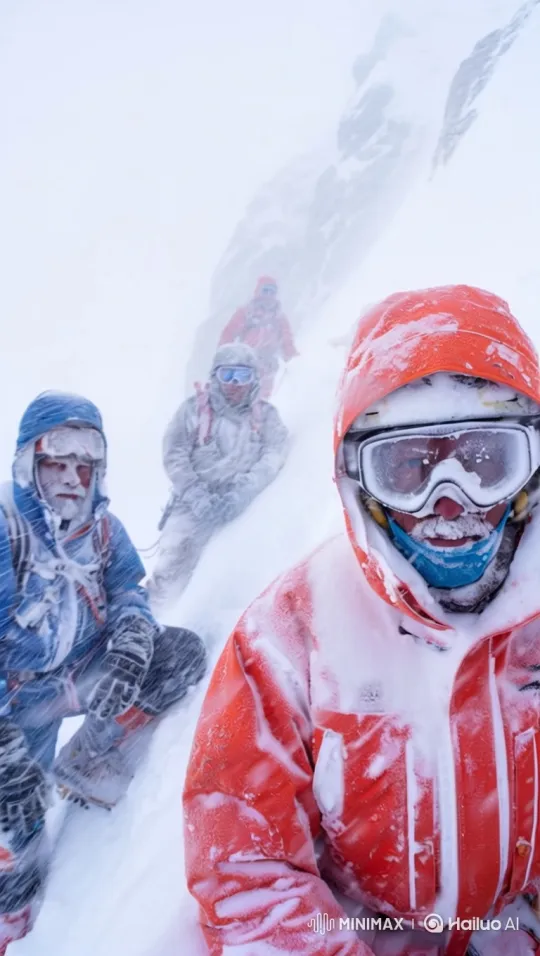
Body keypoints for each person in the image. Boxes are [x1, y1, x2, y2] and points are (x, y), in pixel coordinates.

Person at [183, 285, 540, 956]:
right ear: (358, 483)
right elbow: (244, 870)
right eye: (408, 469)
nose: (449, 503)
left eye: (487, 461)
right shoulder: (288, 639)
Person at [0, 390, 206, 953]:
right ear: (28, 464)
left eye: (83, 466)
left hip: (84, 672)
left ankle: (93, 754)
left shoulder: (105, 530)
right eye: (55, 464)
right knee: (17, 832)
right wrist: (8, 758)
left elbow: (126, 594)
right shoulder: (5, 532)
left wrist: (131, 647)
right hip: (17, 708)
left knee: (178, 656)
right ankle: (13, 917)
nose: (71, 478)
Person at [148, 343, 289, 609]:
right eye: (227, 375)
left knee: (243, 567)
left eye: (242, 376)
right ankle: (157, 615)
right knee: (173, 559)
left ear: (254, 379)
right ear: (214, 376)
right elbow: (174, 455)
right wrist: (197, 496)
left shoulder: (266, 416)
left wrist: (242, 493)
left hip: (240, 503)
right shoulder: (192, 411)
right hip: (192, 505)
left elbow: (274, 455)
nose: (235, 384)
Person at [219, 276, 299, 399]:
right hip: (246, 364)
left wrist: (295, 362)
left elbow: (287, 342)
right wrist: (224, 357)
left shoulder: (279, 318)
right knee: (242, 397)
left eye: (272, 291)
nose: (268, 295)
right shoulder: (246, 312)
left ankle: (260, 415)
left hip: (268, 366)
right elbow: (228, 334)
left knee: (262, 400)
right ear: (258, 292)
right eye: (265, 290)